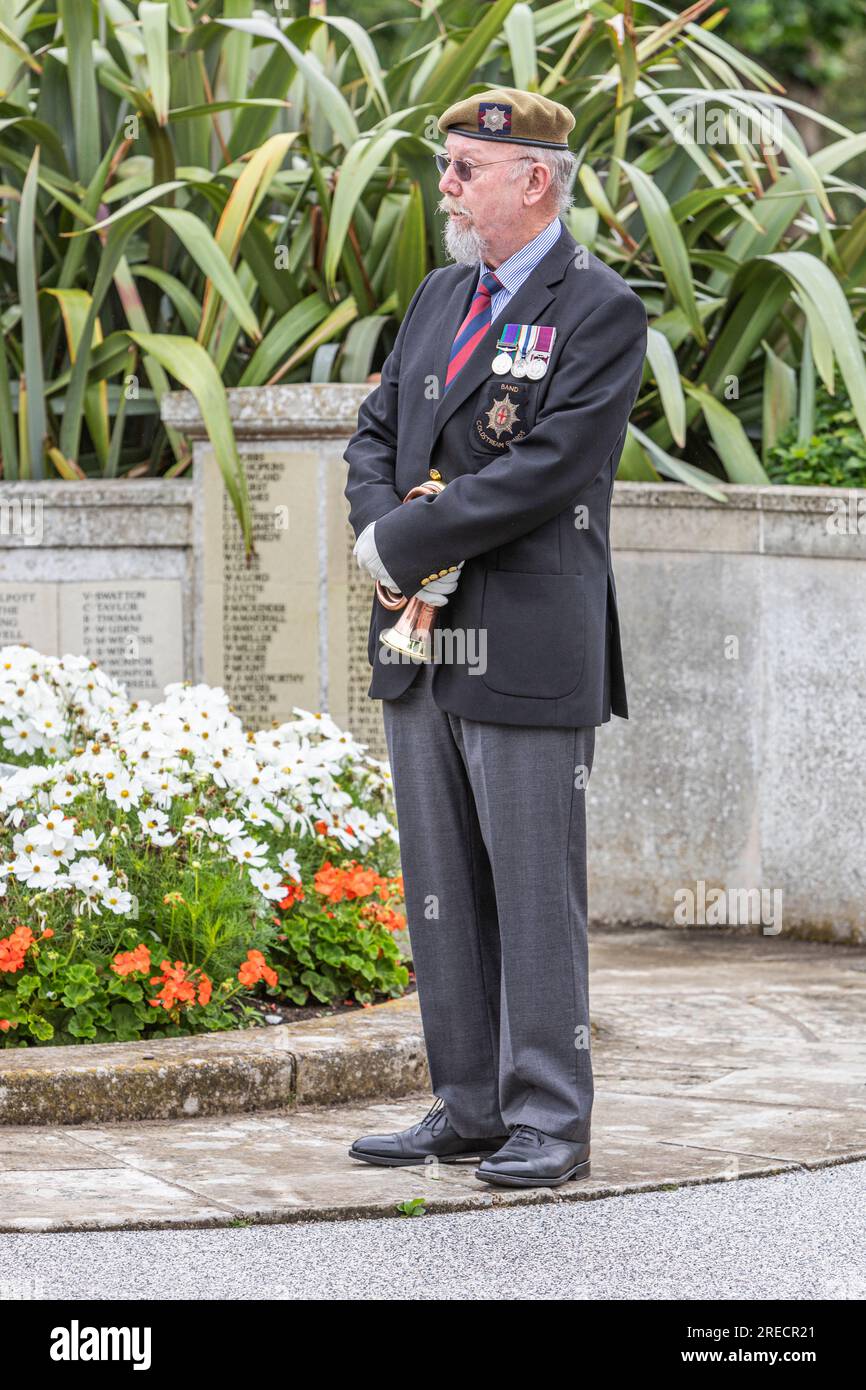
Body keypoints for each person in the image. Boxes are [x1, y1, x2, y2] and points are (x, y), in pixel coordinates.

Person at [343, 86, 647, 1188]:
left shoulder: (598, 307)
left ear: (536, 182)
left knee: (531, 890)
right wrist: (385, 537)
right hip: (420, 638)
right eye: (446, 166)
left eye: (465, 168)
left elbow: (548, 467)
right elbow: (374, 431)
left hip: (521, 642)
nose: (446, 187)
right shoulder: (439, 294)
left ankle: (550, 1122)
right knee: (440, 886)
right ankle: (466, 1105)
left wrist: (406, 538)